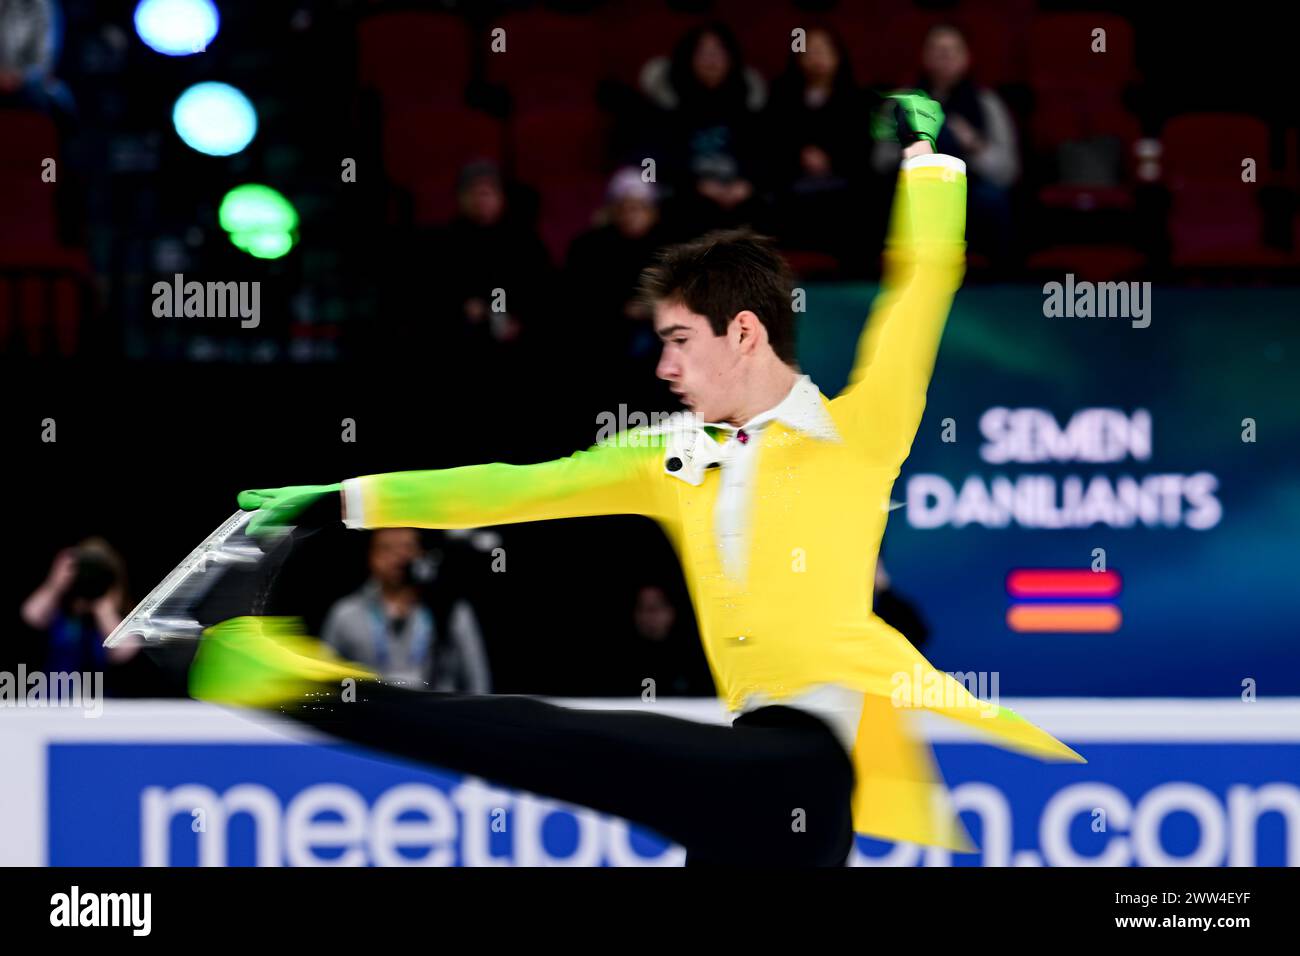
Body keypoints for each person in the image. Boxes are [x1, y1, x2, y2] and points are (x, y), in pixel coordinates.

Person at [189, 93, 1083, 866]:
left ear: (743, 334)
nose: (662, 368)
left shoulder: (861, 428)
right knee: (555, 741)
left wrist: (926, 162)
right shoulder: (666, 459)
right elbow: (509, 488)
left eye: (678, 341)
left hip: (801, 773)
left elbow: (922, 286)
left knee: (546, 739)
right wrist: (339, 501)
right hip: (751, 784)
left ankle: (280, 681)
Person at [321, 528, 491, 692]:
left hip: (438, 716)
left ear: (422, 554)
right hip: (371, 715)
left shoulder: (451, 611)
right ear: (371, 557)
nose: (399, 556)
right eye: (387, 548)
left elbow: (478, 681)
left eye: (408, 547)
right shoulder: (346, 614)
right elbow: (325, 679)